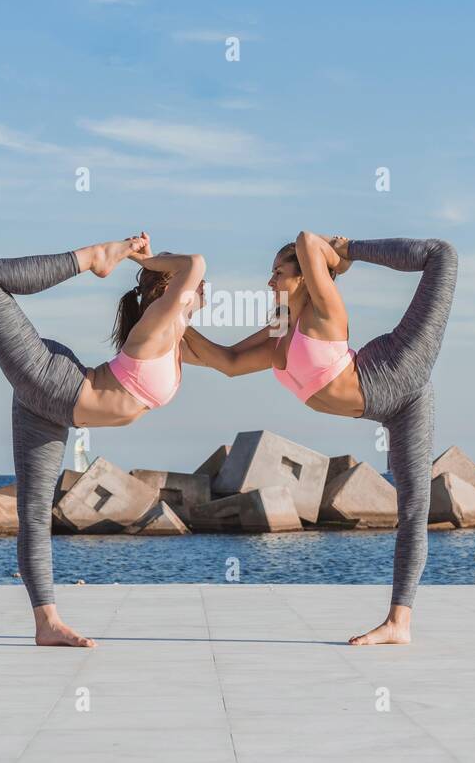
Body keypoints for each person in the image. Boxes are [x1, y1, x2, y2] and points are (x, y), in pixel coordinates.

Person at [182, 233, 457, 645]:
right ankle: (398, 626)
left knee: (443, 256)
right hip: (394, 403)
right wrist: (171, 325)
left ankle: (399, 621)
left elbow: (308, 240)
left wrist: (343, 252)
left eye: (278, 272)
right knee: (412, 507)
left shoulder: (323, 311)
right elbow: (228, 362)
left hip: (400, 367)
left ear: (306, 279)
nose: (269, 281)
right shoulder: (281, 330)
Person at [0, 234, 205, 647]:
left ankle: (47, 623)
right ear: (172, 291)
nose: (204, 292)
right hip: (52, 382)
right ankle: (91, 257)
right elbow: (196, 264)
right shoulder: (156, 327)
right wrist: (144, 260)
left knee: (34, 511)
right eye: (197, 291)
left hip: (53, 404)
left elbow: (236, 362)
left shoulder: (178, 338)